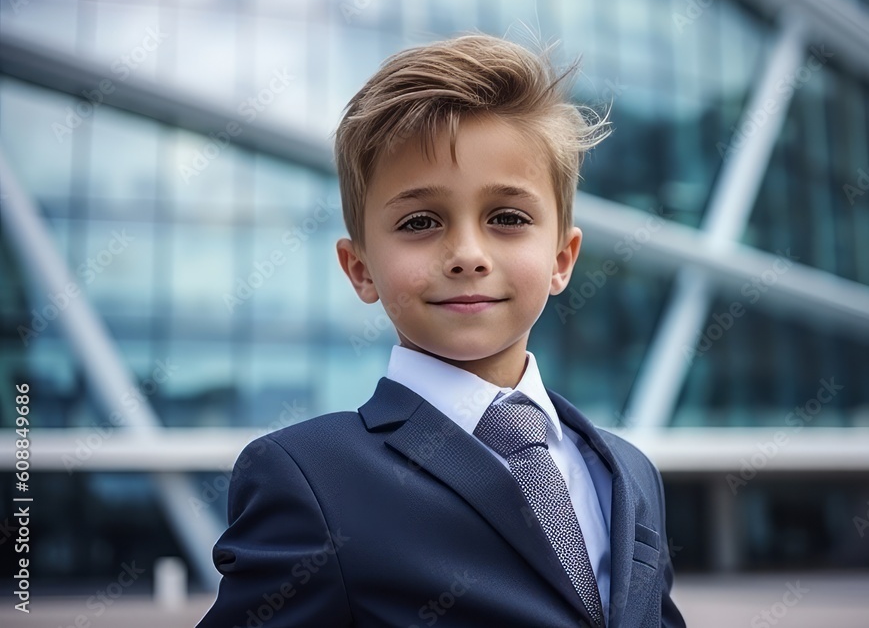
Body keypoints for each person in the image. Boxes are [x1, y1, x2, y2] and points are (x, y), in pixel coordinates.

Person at [197, 33, 685, 628]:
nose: (467, 254)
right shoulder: (310, 478)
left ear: (563, 257)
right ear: (360, 268)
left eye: (508, 218)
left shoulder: (631, 471)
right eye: (420, 221)